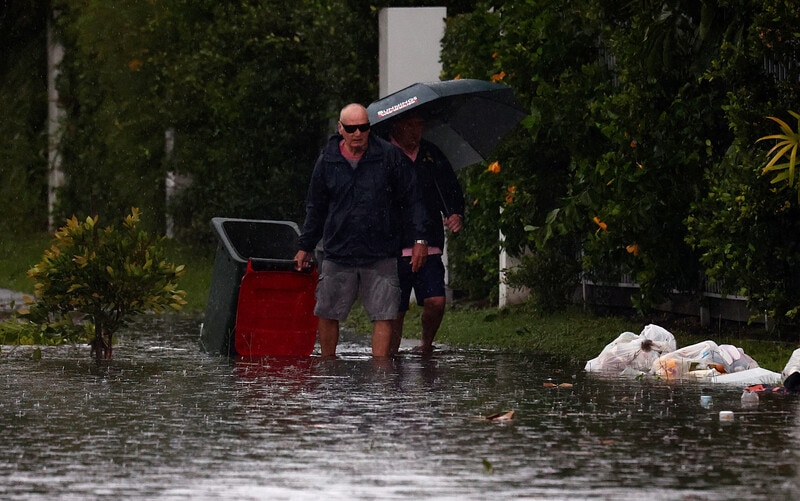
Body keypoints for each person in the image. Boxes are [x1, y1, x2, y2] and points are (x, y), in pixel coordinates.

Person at [294, 103, 429, 358]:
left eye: (364, 127)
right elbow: (316, 207)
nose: (358, 133)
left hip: (381, 251)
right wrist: (305, 246)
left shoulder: (389, 156)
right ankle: (328, 364)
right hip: (338, 251)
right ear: (340, 129)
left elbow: (413, 199)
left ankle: (380, 370)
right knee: (327, 310)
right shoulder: (327, 161)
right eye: (352, 128)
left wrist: (420, 238)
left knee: (384, 313)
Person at [388, 112, 465, 355]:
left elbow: (451, 188)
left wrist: (455, 213)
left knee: (436, 301)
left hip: (430, 241)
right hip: (395, 244)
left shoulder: (432, 155)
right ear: (397, 127)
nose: (415, 131)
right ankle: (391, 354)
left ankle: (426, 344)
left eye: (419, 125)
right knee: (396, 308)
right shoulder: (384, 156)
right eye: (409, 126)